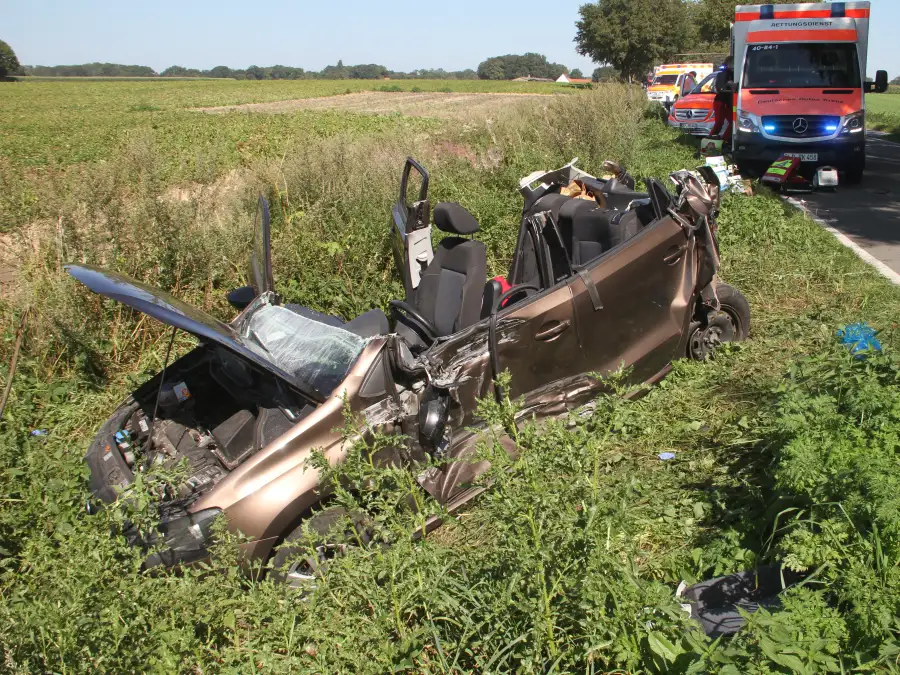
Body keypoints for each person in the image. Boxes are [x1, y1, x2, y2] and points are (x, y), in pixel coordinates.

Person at [710, 59, 734, 145]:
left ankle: (724, 140)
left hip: (727, 103)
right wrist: (730, 86)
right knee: (719, 122)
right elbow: (720, 88)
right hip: (721, 102)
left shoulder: (732, 74)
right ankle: (711, 140)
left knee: (733, 122)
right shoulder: (723, 74)